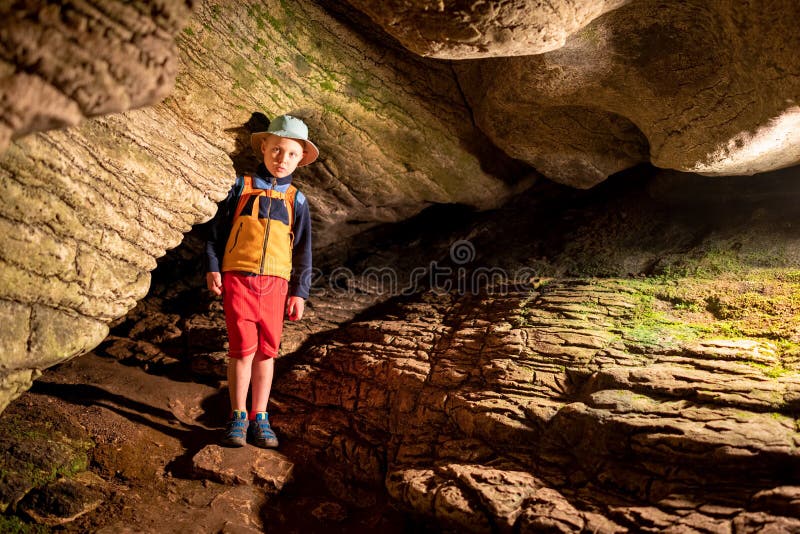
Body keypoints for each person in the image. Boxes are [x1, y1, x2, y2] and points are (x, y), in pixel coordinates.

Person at [205, 114, 316, 448]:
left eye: (292, 154)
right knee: (241, 350)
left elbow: (304, 250)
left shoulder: (296, 200)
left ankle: (260, 416)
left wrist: (300, 291)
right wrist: (212, 266)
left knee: (267, 352)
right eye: (277, 150)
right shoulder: (241, 187)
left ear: (301, 159)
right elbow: (214, 234)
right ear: (264, 147)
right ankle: (238, 416)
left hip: (276, 284)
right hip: (237, 277)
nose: (283, 159)